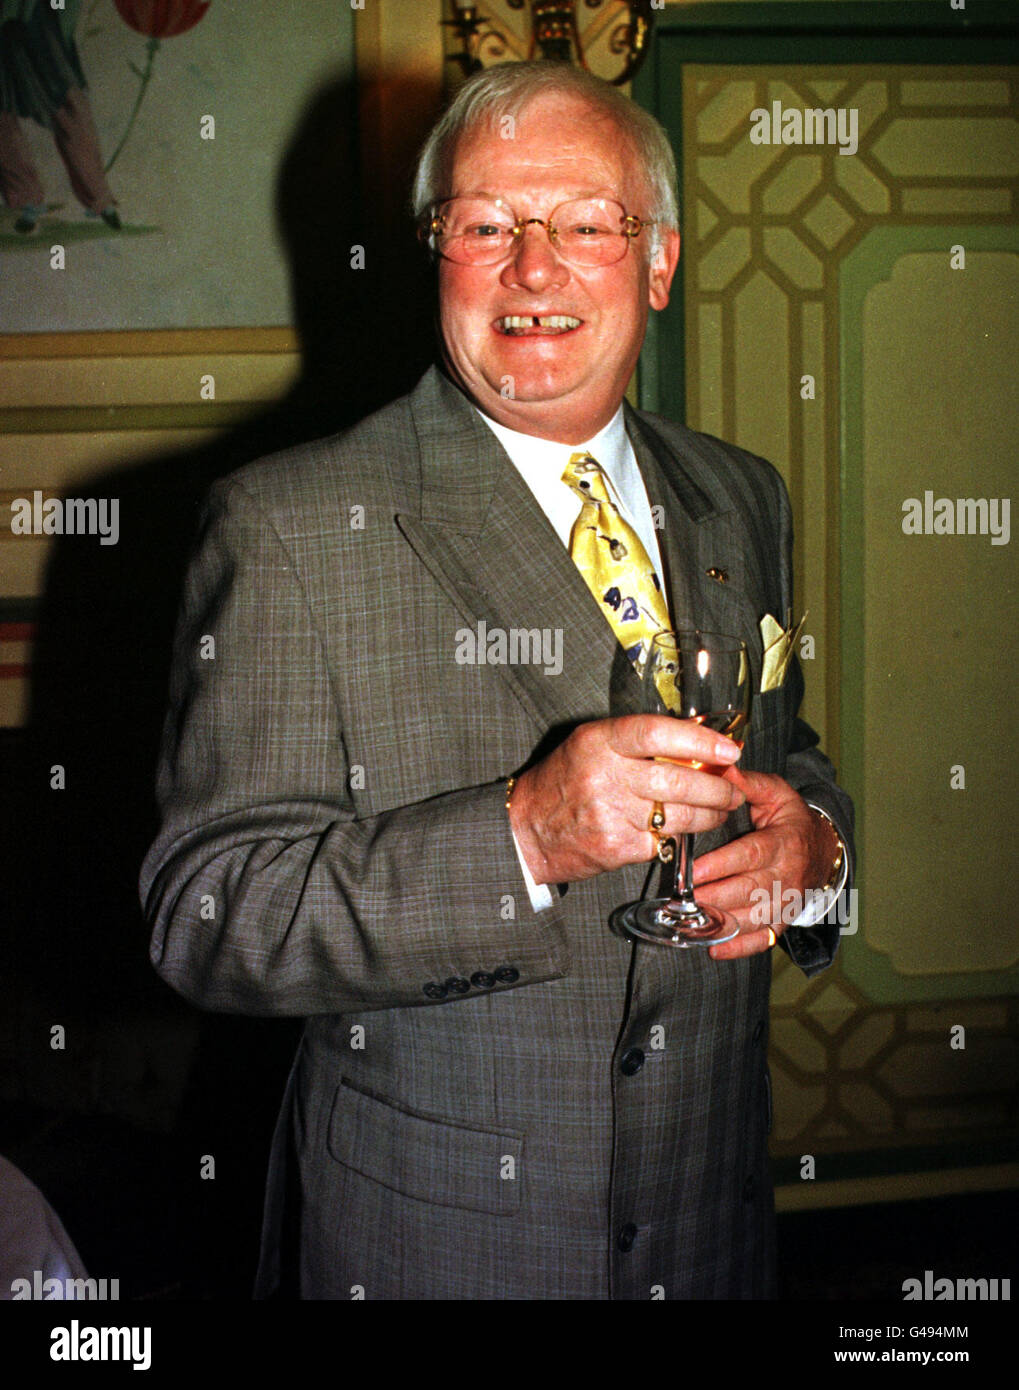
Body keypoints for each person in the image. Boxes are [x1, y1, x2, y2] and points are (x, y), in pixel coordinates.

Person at [140, 61, 853, 1301]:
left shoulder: (742, 493)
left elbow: (789, 762)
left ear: (658, 264)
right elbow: (205, 914)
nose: (533, 268)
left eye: (585, 225)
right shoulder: (288, 524)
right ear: (437, 256)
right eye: (484, 226)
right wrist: (523, 835)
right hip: (441, 1249)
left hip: (713, 1229)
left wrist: (815, 856)